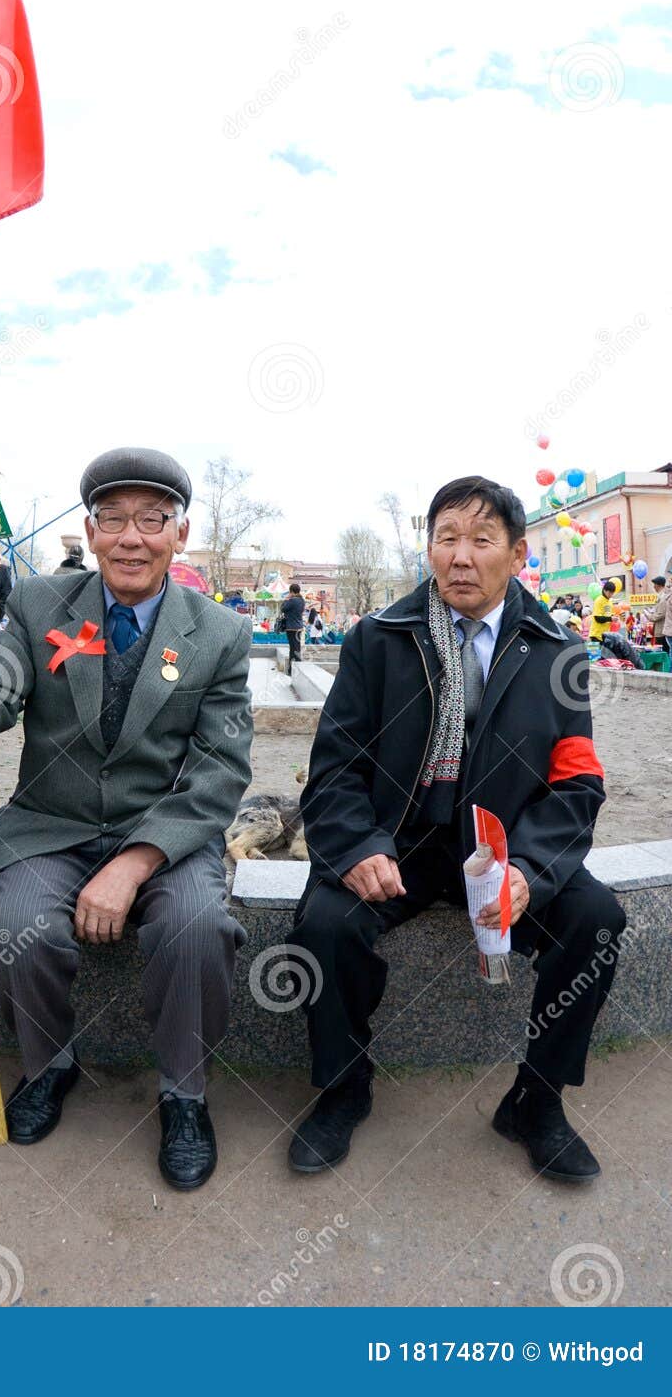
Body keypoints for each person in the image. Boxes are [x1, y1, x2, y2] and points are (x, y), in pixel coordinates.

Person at [0, 446, 253, 1189]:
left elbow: (220, 769)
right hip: (50, 825)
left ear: (179, 534)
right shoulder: (37, 605)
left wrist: (134, 862)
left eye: (152, 519)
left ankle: (184, 1095)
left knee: (196, 927)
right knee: (13, 926)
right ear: (89, 534)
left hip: (164, 832)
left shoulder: (218, 634)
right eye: (113, 519)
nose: (132, 537)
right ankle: (50, 1065)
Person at [287, 475, 622, 1185]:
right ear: (428, 548)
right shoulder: (379, 640)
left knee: (594, 917)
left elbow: (576, 781)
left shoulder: (554, 649)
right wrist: (357, 848)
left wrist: (528, 870)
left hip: (502, 850)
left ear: (516, 553)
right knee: (324, 923)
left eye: (480, 540)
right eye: (445, 538)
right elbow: (335, 768)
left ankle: (536, 1101)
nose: (460, 557)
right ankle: (343, 1087)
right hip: (398, 843)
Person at [281, 582, 305, 662]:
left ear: (291, 591)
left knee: (292, 647)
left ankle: (292, 666)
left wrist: (286, 599)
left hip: (291, 627)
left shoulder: (292, 600)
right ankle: (297, 662)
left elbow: (283, 608)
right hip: (299, 627)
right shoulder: (302, 600)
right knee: (297, 646)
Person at [588, 580, 617, 645]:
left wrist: (614, 617)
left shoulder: (610, 602)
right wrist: (611, 618)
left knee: (604, 655)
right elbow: (597, 618)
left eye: (612, 593)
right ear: (604, 590)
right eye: (609, 593)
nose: (611, 595)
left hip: (605, 636)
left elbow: (609, 615)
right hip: (596, 636)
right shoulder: (598, 600)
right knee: (594, 655)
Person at [650, 575, 669, 659]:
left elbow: (660, 614)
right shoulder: (660, 596)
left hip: (662, 631)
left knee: (664, 654)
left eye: (655, 584)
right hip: (660, 630)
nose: (654, 586)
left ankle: (666, 671)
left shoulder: (663, 597)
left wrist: (649, 616)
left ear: (659, 585)